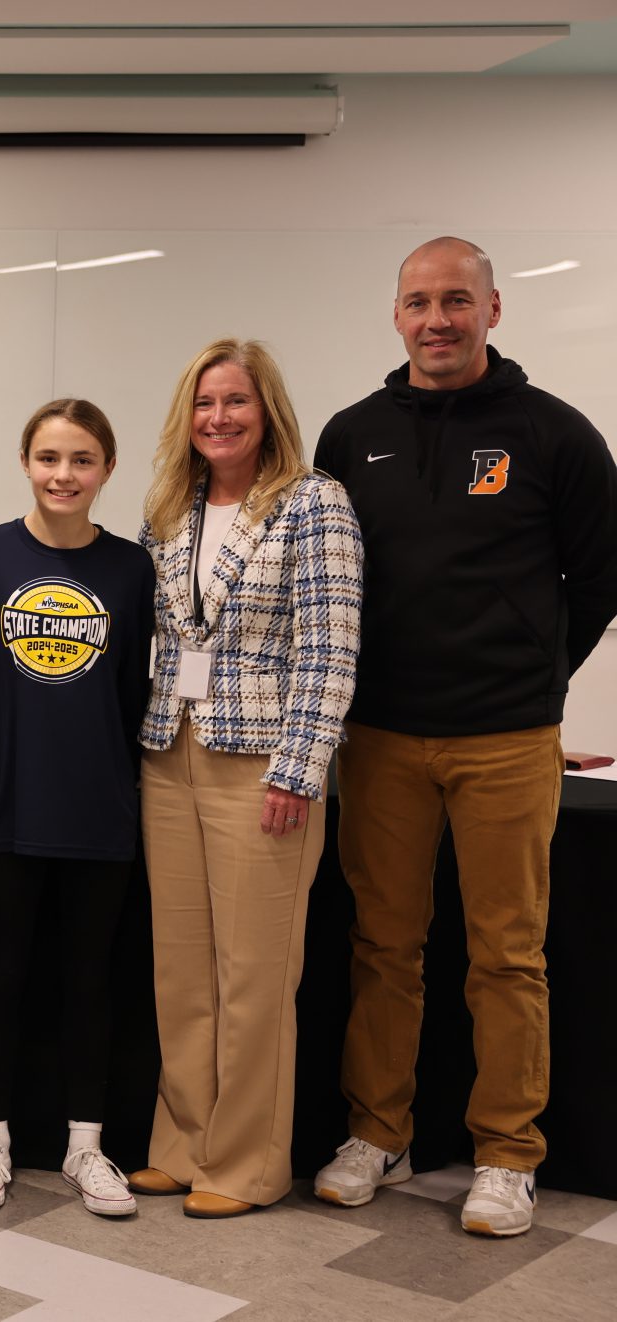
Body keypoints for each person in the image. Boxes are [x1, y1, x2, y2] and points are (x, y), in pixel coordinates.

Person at [310, 237, 617, 1237]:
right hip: (380, 736)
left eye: (454, 300)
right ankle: (378, 1133)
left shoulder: (553, 433)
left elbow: (598, 576)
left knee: (505, 953)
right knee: (382, 944)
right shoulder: (349, 435)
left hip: (505, 738)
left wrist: (532, 672)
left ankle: (504, 1152)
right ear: (392, 314)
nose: (434, 319)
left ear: (493, 309)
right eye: (415, 302)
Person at [130, 337, 363, 1218]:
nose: (218, 418)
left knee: (255, 972)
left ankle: (247, 1165)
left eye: (235, 402)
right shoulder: (171, 508)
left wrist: (298, 770)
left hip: (262, 767)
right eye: (203, 404)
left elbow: (330, 649)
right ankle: (183, 1144)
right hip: (170, 754)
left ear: (267, 411)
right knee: (182, 970)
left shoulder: (314, 504)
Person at [0, 400, 154, 1218]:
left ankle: (85, 1148)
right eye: (47, 458)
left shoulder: (132, 569)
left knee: (87, 985)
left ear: (107, 469)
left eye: (80, 460)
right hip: (5, 807)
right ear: (26, 463)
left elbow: (134, 691)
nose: (62, 475)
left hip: (98, 810)